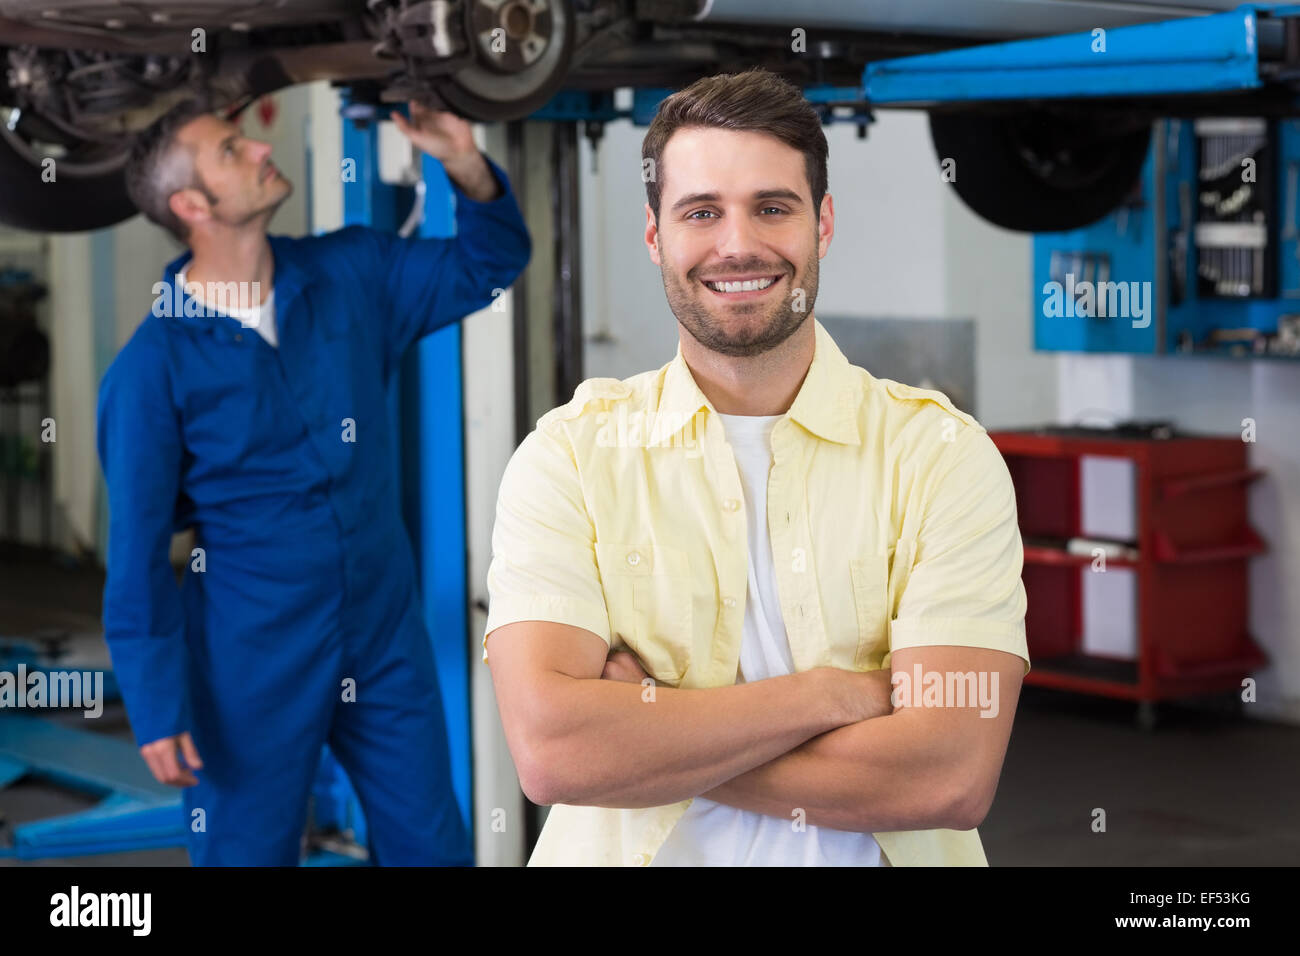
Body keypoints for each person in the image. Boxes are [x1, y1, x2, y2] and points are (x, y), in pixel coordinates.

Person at [482, 68, 1029, 867]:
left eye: (772, 207)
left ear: (824, 223)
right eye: (701, 212)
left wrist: (655, 726)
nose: (737, 244)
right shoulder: (569, 458)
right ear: (654, 235)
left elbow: (947, 774)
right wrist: (828, 697)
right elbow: (557, 755)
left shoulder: (940, 458)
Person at [96, 98, 530, 865]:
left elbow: (486, 265)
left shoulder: (350, 273)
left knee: (432, 844)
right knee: (247, 854)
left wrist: (461, 157)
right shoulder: (151, 368)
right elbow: (135, 558)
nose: (262, 150)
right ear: (192, 206)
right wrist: (158, 705)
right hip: (248, 658)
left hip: (383, 635)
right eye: (233, 150)